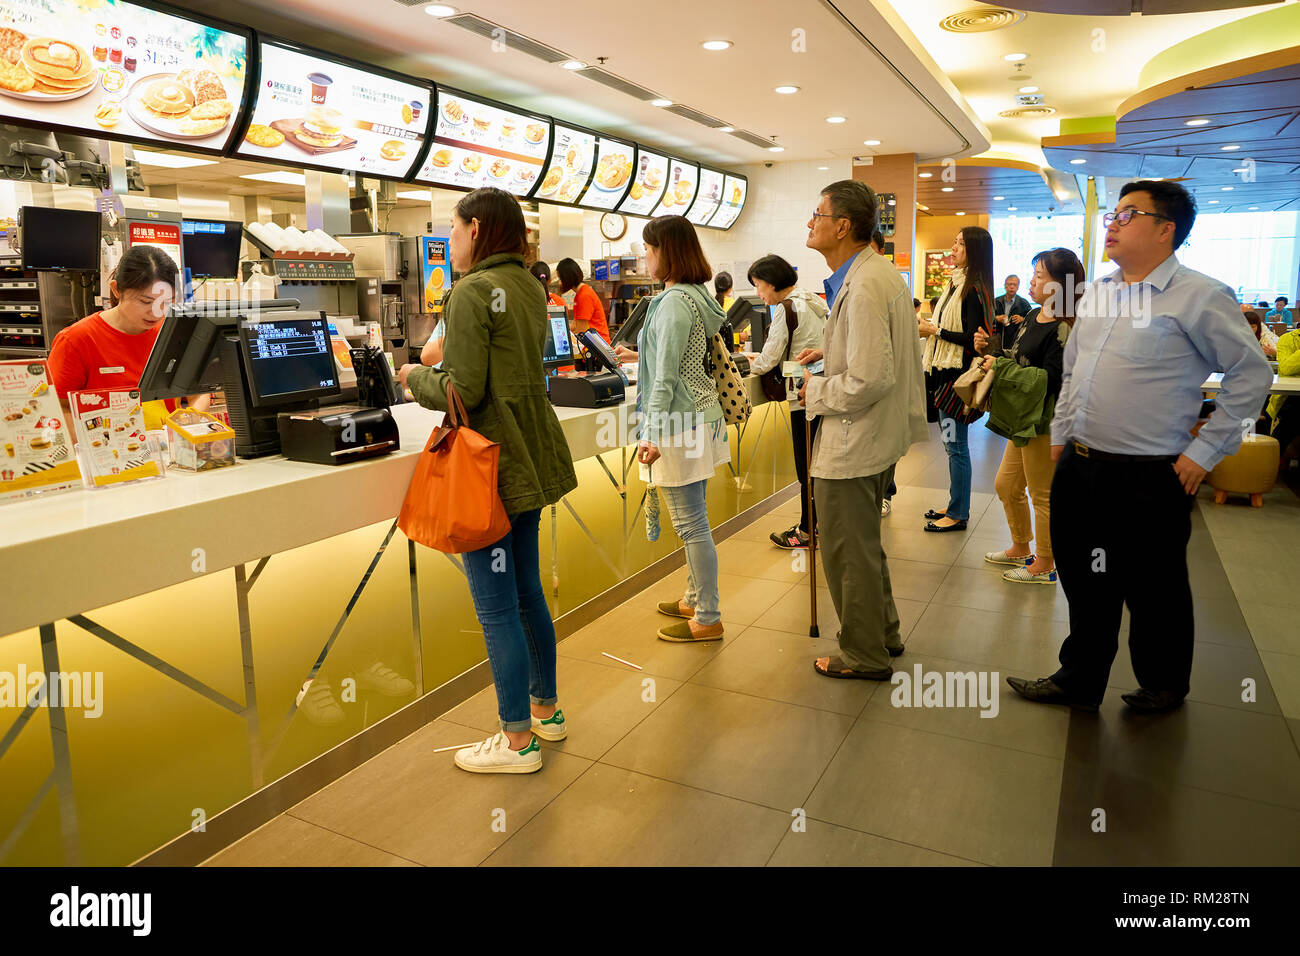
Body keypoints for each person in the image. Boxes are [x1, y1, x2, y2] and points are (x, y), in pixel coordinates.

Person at [1007, 179, 1271, 714]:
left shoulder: (1199, 295)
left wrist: (1204, 453)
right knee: (1085, 581)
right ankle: (1079, 677)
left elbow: (1250, 373)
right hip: (1082, 466)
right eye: (1113, 213)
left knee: (1156, 590)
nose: (1112, 222)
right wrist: (1061, 437)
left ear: (1165, 230)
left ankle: (1163, 684)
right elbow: (1076, 370)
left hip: (1151, 475)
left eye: (1127, 215)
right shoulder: (1100, 290)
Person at [397, 187, 578, 773]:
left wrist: (410, 376)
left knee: (497, 607)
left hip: (488, 468)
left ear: (475, 229)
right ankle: (546, 711)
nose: (449, 241)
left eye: (452, 229)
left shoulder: (472, 292)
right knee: (527, 594)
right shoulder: (529, 285)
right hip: (528, 458)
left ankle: (516, 740)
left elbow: (461, 391)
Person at [799, 179, 928, 680]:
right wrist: (829, 356)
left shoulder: (866, 283)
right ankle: (884, 634)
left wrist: (815, 391)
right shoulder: (873, 275)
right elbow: (871, 354)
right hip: (873, 435)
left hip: (856, 438)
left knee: (847, 552)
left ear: (843, 226)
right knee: (864, 546)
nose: (811, 223)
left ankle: (863, 654)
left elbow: (872, 376)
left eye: (817, 214)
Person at [637, 215, 730, 643]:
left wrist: (651, 433)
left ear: (667, 252)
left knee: (692, 524)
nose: (646, 256)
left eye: (650, 249)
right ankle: (695, 597)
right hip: (701, 418)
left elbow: (665, 378)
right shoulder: (695, 295)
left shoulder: (674, 302)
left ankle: (708, 616)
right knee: (696, 518)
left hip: (679, 423)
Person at [977, 248, 1084, 585]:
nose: (1032, 281)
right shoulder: (1036, 315)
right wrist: (989, 350)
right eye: (1034, 273)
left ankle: (1046, 563)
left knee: (1042, 495)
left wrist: (1001, 366)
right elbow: (1017, 357)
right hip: (1023, 418)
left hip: (1044, 421)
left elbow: (1051, 379)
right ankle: (1021, 547)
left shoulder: (1066, 327)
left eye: (1040, 275)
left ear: (1061, 285)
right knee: (1006, 485)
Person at [48, 244, 208, 427]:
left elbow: (200, 392)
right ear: (116, 289)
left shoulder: (172, 332)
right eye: (146, 301)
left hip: (168, 448)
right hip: (108, 448)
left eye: (166, 302)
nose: (156, 312)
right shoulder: (76, 340)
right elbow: (58, 408)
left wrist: (189, 422)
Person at [743, 254, 828, 550]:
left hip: (803, 393)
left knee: (805, 465)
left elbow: (770, 356)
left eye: (758, 285)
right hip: (823, 387)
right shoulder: (813, 301)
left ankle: (806, 531)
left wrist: (745, 367)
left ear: (770, 282)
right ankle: (819, 525)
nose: (758, 293)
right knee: (817, 462)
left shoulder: (785, 308)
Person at [917, 226, 995, 532]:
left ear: (974, 251)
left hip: (957, 378)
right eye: (954, 242)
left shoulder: (974, 290)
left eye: (960, 244)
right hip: (943, 373)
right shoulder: (955, 284)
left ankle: (959, 513)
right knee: (952, 446)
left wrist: (934, 331)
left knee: (956, 447)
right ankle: (954, 504)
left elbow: (973, 339)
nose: (953, 248)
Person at [556, 257, 610, 343]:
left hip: (598, 348)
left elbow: (581, 333)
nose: (559, 283)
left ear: (567, 278)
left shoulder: (584, 296)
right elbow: (575, 325)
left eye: (560, 278)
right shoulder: (582, 292)